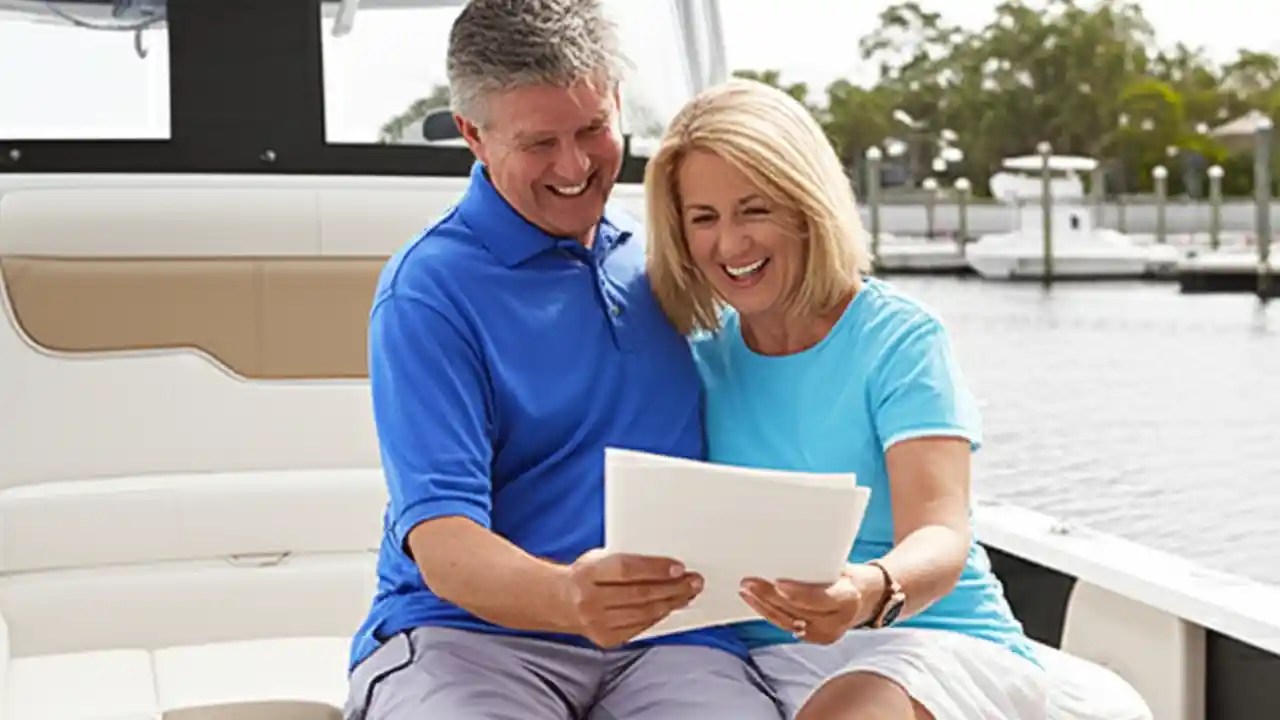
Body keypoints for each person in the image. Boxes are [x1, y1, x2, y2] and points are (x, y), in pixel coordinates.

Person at [342, 3, 784, 719]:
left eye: (592, 130)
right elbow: (444, 544)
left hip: (673, 641)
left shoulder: (667, 261)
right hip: (468, 638)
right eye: (539, 142)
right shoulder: (426, 293)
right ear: (473, 136)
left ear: (616, 100)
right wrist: (570, 598)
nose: (575, 167)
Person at [643, 77, 1051, 720]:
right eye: (704, 218)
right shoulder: (695, 354)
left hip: (924, 642)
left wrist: (865, 592)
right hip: (756, 661)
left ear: (805, 206)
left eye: (754, 210)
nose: (731, 244)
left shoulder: (899, 338)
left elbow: (941, 532)